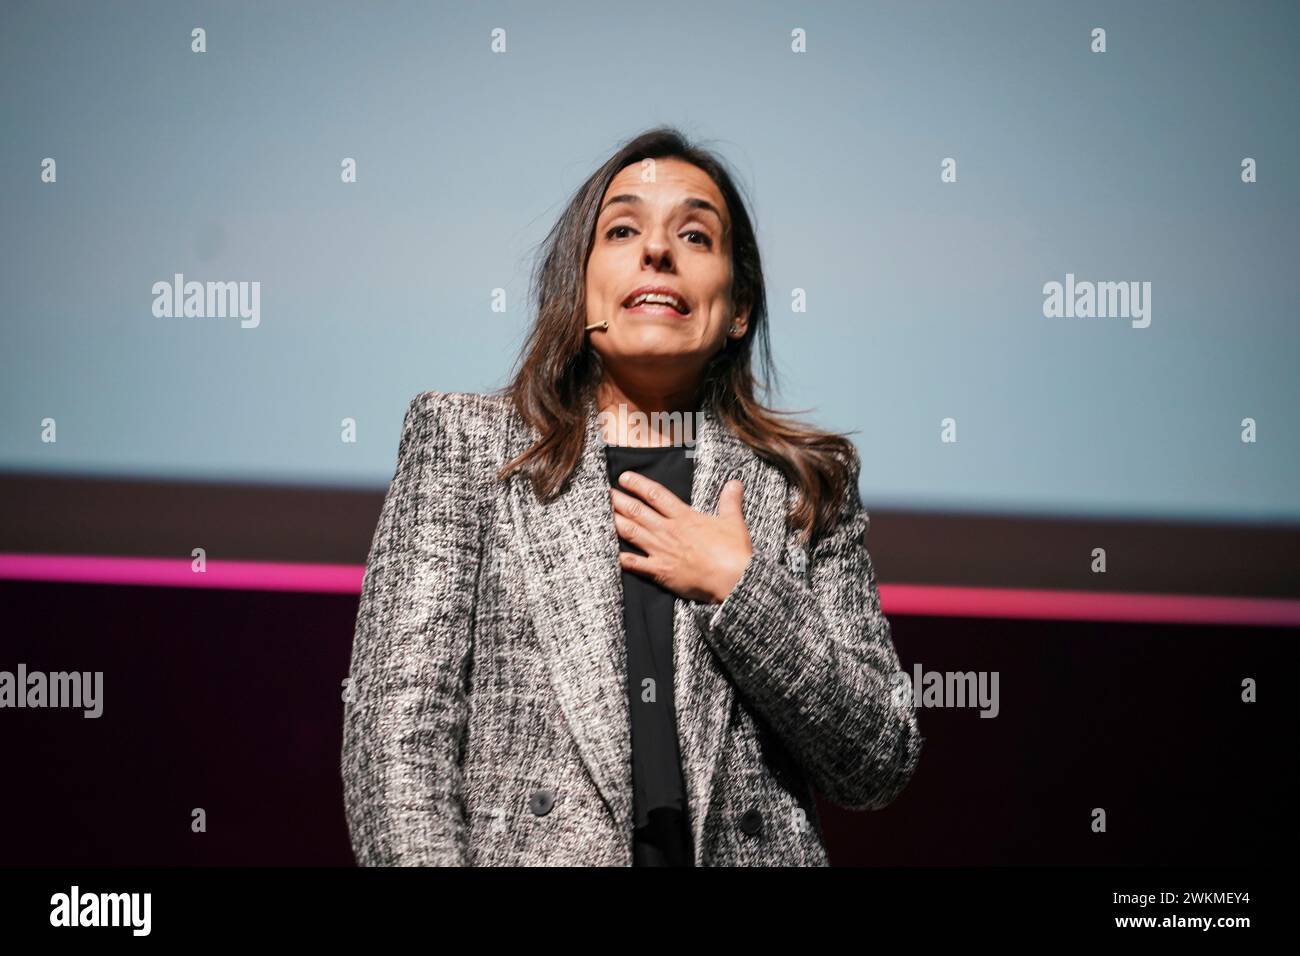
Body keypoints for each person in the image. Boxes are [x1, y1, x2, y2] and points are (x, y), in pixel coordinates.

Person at [340, 126, 923, 866]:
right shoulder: (465, 446)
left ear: (738, 308)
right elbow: (399, 742)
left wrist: (741, 590)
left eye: (695, 235)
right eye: (622, 229)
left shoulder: (807, 483)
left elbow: (877, 762)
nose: (657, 251)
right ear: (578, 286)